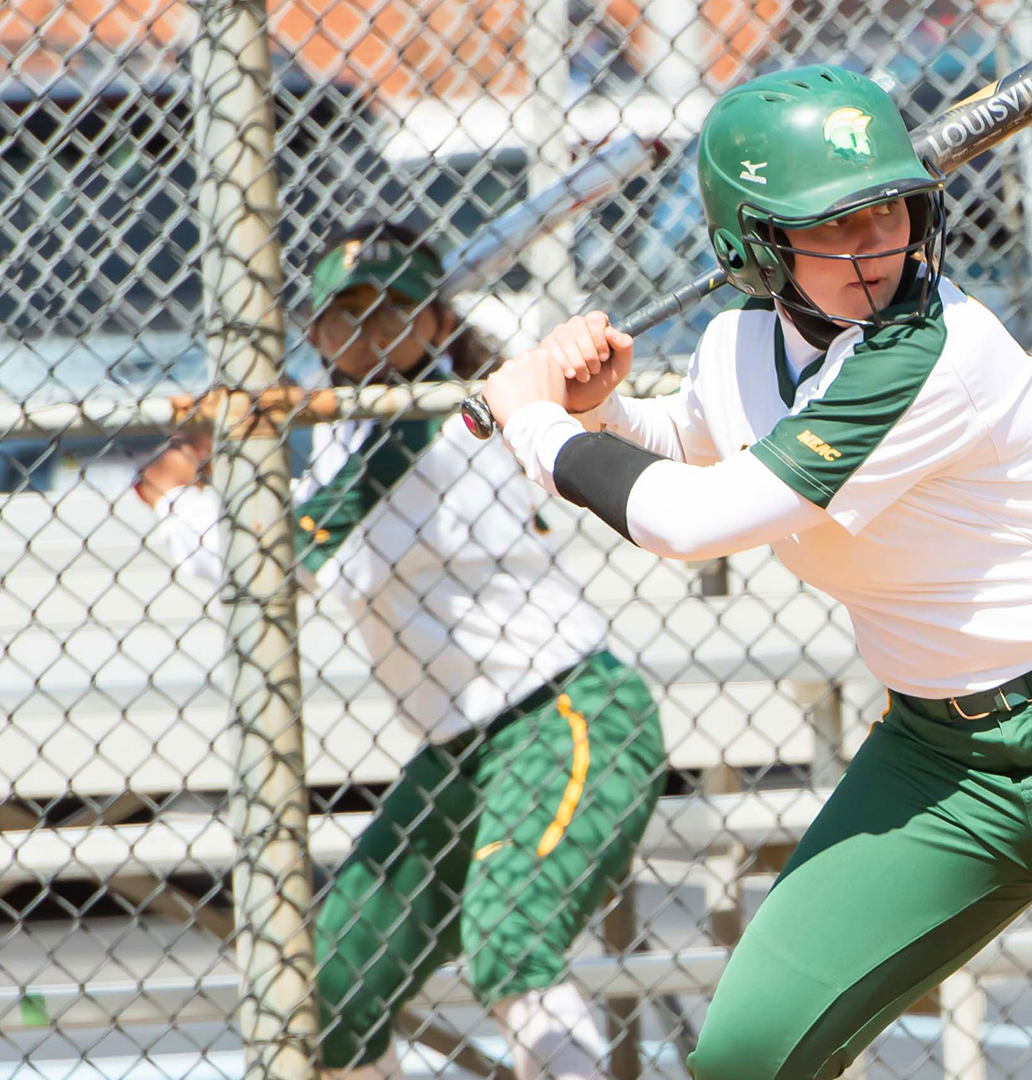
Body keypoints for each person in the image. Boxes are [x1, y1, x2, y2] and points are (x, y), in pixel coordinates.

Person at [480, 64, 1032, 1080]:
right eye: (834, 223)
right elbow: (694, 442)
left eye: (889, 210)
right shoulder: (734, 347)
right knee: (747, 1059)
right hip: (946, 761)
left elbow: (693, 519)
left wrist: (537, 427)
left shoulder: (934, 349)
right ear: (753, 246)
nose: (876, 245)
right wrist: (599, 409)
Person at [136, 221, 666, 1080]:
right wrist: (256, 425)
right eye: (346, 315)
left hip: (565, 715)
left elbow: (277, 557)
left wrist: (174, 487)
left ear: (440, 323)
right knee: (330, 988)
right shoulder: (352, 425)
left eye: (395, 311)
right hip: (457, 751)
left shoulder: (438, 420)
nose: (371, 333)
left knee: (511, 943)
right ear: (314, 333)